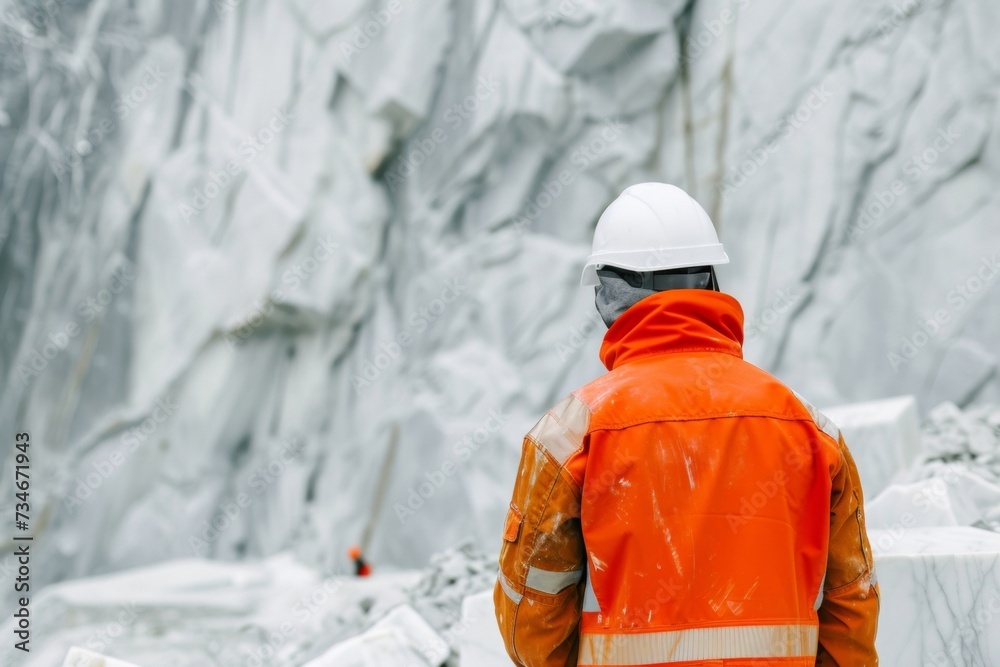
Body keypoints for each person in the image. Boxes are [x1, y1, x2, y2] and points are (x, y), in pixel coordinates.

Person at [494, 183, 879, 666]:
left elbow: (530, 615)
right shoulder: (808, 426)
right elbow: (852, 601)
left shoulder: (570, 434)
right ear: (712, 283)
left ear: (610, 296)